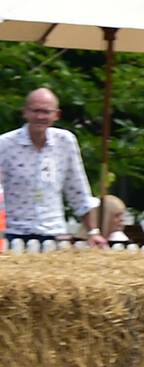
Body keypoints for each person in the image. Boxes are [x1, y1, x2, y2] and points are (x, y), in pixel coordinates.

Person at [0, 88, 106, 247]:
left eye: (46, 112)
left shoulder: (65, 142)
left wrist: (93, 232)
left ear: (56, 115)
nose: (40, 116)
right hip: (14, 233)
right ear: (25, 113)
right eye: (35, 111)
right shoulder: (5, 144)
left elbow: (78, 189)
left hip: (54, 234)